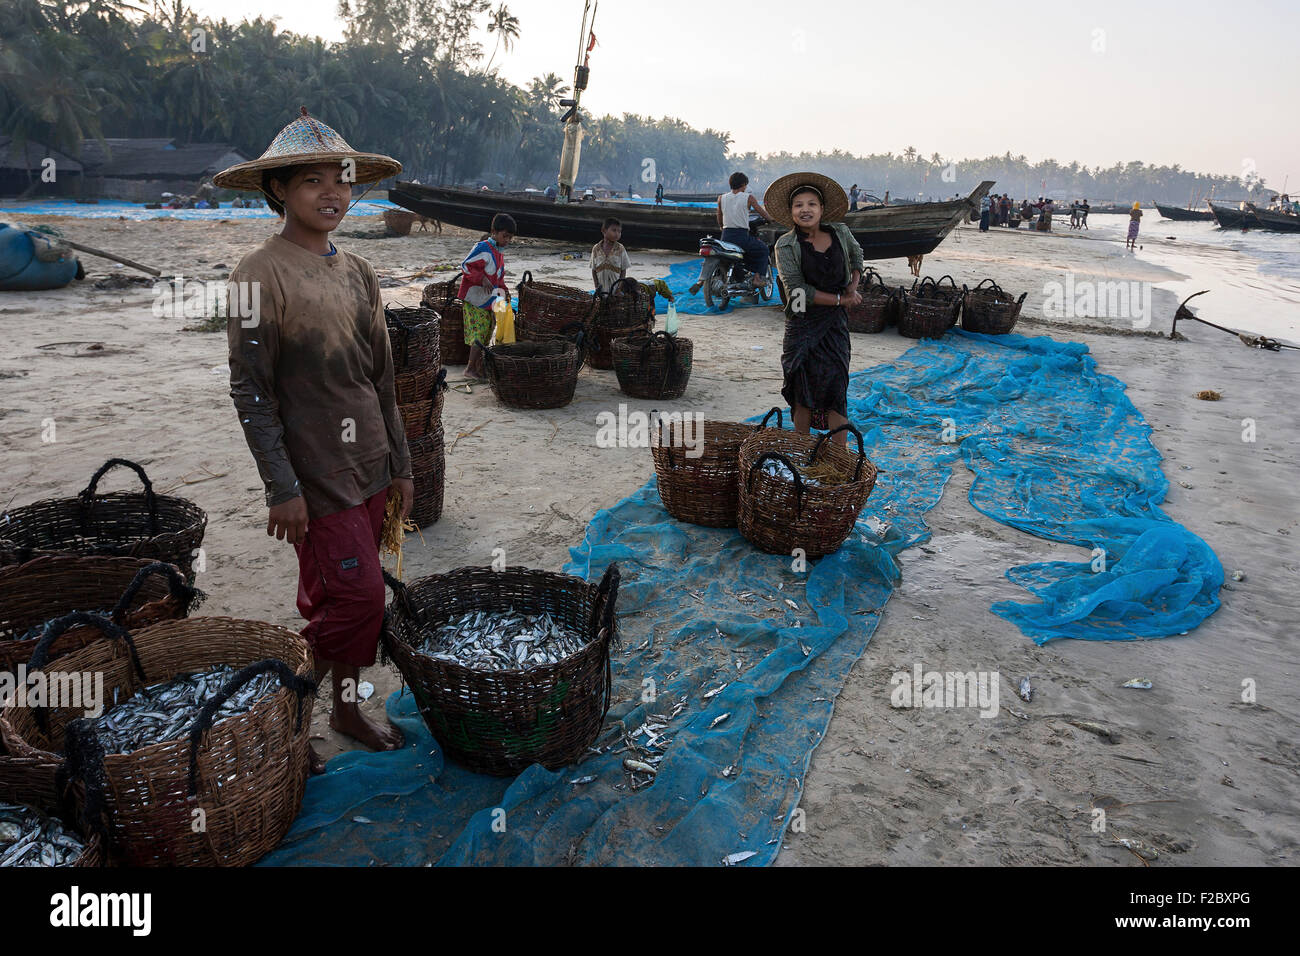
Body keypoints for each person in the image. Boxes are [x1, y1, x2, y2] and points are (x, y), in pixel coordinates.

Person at [215, 108, 411, 772]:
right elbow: (250, 389)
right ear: (278, 191)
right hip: (314, 476)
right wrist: (282, 488)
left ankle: (348, 709)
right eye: (312, 183)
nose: (333, 194)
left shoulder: (359, 272)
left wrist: (403, 465)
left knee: (358, 605)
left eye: (343, 182)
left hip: (372, 465)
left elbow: (383, 378)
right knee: (354, 601)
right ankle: (292, 721)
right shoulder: (256, 274)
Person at [764, 172, 864, 448]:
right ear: (791, 211)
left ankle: (839, 456)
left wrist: (852, 287)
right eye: (798, 205)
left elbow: (857, 257)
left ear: (821, 210)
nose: (805, 210)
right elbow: (797, 290)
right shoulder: (785, 244)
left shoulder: (840, 232)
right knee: (802, 387)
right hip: (801, 324)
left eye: (811, 204)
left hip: (834, 326)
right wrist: (839, 300)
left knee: (835, 386)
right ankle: (802, 449)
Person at [459, 213, 515, 379]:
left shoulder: (499, 254)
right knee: (479, 332)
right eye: (505, 236)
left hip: (488, 300)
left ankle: (477, 367)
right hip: (474, 299)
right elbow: (466, 266)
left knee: (487, 331)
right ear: (494, 232)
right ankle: (470, 369)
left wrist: (504, 291)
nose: (507, 241)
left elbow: (499, 278)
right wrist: (481, 278)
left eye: (510, 238)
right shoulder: (483, 247)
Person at [717, 171, 772, 286]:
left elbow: (719, 216)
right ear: (743, 185)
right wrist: (771, 219)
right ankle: (757, 278)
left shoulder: (721, 198)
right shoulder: (749, 198)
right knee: (763, 250)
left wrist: (722, 228)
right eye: (745, 185)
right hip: (741, 236)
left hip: (725, 236)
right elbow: (762, 213)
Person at [591, 217, 632, 293]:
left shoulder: (620, 248)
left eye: (619, 231)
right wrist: (596, 286)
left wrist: (619, 288)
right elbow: (593, 270)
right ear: (604, 231)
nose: (617, 234)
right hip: (601, 290)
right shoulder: (596, 249)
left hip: (615, 290)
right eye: (614, 230)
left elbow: (623, 271)